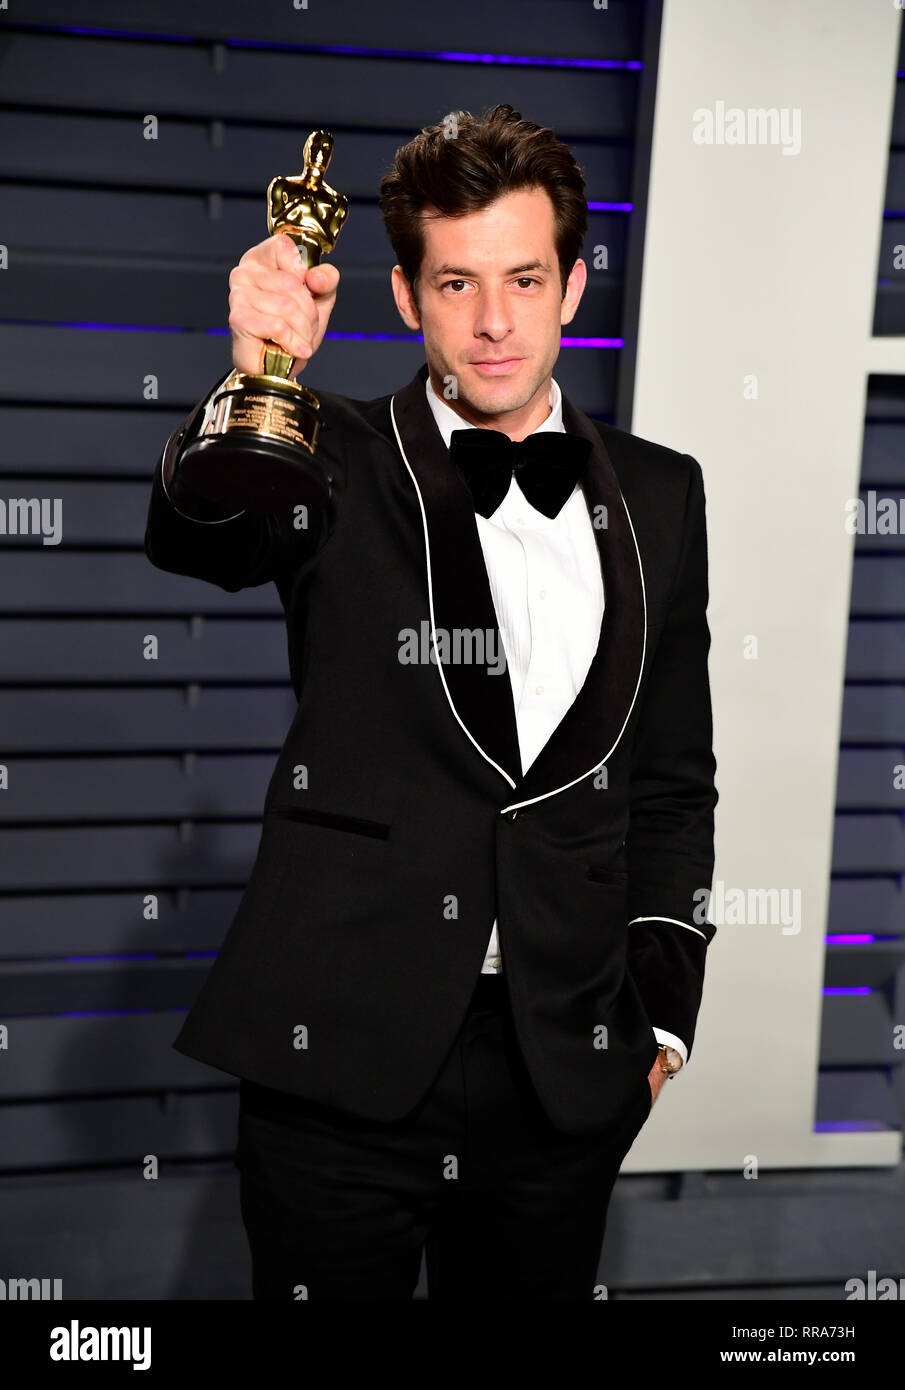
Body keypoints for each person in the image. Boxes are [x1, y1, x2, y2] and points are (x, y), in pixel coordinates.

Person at [143, 103, 719, 1301]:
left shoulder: (664, 495)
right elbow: (202, 540)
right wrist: (254, 379)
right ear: (405, 298)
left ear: (571, 284)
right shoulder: (334, 453)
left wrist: (658, 1021)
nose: (495, 321)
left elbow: (671, 776)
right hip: (335, 1062)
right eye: (456, 283)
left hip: (562, 1073)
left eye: (523, 276)